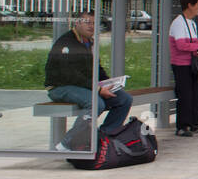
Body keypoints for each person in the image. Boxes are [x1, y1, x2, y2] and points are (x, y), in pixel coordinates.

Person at [45, 11, 134, 149]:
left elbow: (96, 68)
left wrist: (110, 83)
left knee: (124, 99)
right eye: (87, 22)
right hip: (60, 87)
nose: (91, 26)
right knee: (95, 103)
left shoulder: (90, 42)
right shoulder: (66, 42)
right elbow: (70, 74)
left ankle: (105, 138)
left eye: (94, 23)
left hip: (82, 86)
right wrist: (98, 89)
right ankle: (67, 144)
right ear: (77, 23)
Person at [168, 0, 198, 136]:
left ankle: (197, 123)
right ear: (190, 5)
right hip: (181, 65)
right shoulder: (178, 23)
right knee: (185, 95)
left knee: (196, 94)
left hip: (192, 64)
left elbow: (193, 44)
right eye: (197, 5)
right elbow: (181, 45)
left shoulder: (192, 24)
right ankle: (182, 126)